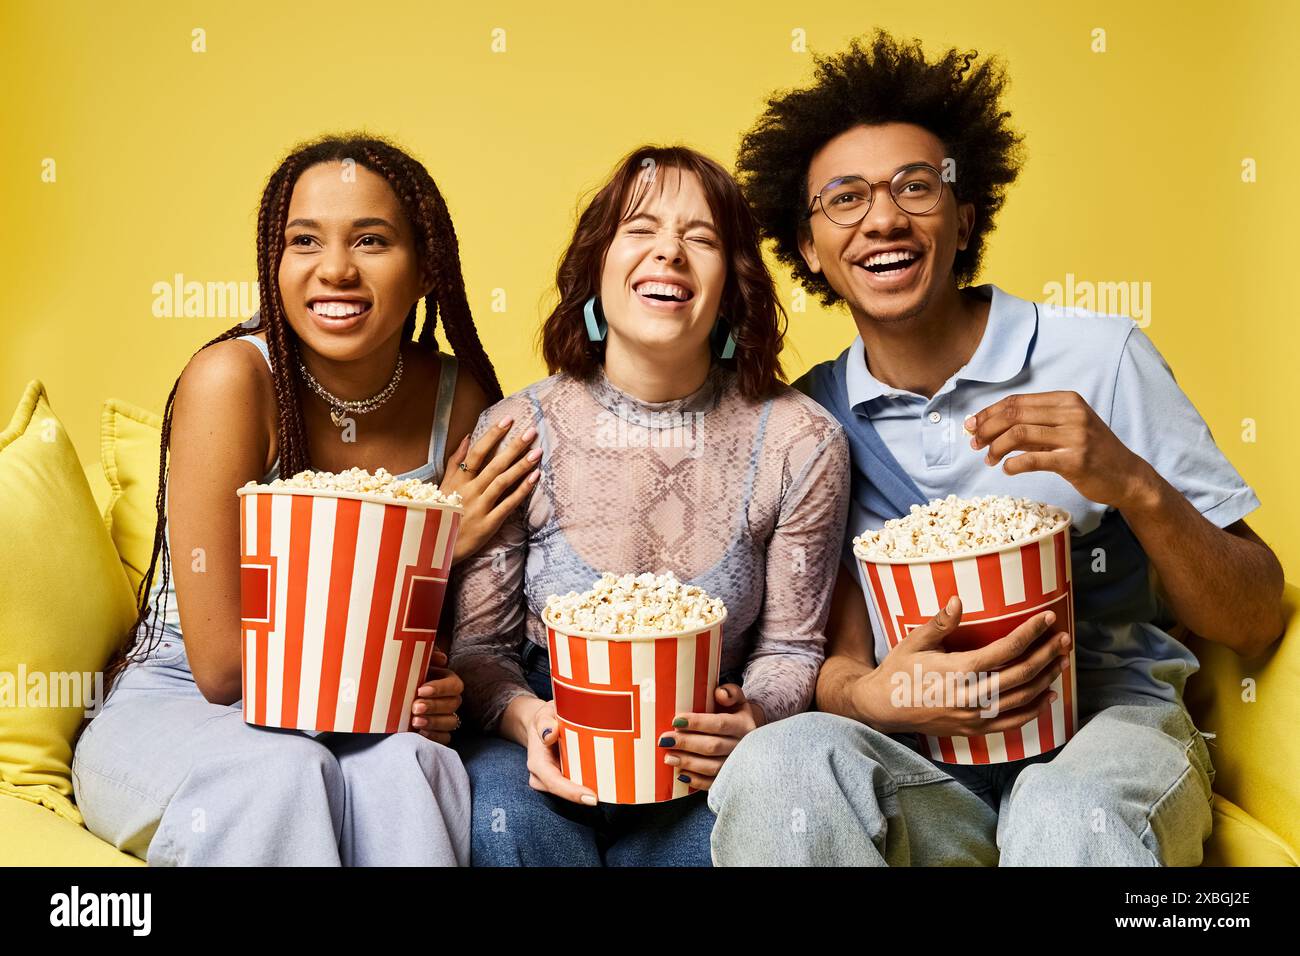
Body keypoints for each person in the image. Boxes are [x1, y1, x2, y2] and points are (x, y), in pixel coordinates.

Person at [707, 31, 1286, 866]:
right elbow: (830, 662)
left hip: (1107, 737)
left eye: (916, 186)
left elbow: (1257, 616)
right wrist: (879, 695)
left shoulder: (1101, 356)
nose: (883, 218)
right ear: (809, 248)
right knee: (778, 765)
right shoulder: (808, 420)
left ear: (964, 213)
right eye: (844, 199)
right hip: (933, 776)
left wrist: (1130, 480)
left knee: (1063, 813)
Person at [72, 134, 538, 866]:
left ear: (425, 270)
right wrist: (432, 538)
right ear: (275, 262)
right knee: (283, 775)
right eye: (304, 241)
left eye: (372, 240)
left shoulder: (462, 399)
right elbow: (223, 668)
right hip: (186, 705)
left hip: (359, 715)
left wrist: (435, 689)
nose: (335, 270)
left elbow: (433, 644)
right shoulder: (232, 381)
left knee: (412, 770)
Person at [448, 145, 850, 866]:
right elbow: (479, 649)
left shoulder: (801, 440)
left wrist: (750, 719)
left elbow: (791, 649)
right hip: (541, 733)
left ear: (733, 286)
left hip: (703, 751)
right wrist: (527, 719)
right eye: (640, 229)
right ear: (596, 265)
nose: (669, 252)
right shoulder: (517, 430)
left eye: (701, 238)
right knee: (502, 820)